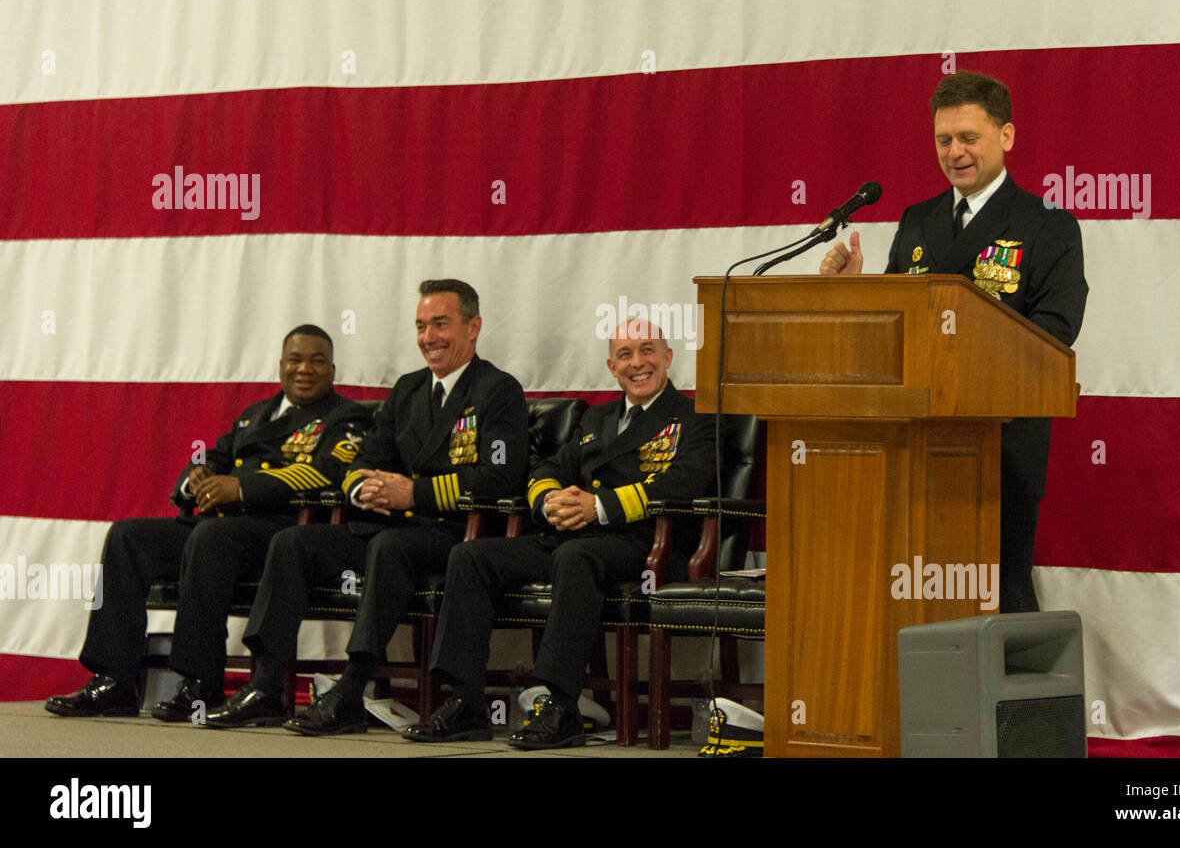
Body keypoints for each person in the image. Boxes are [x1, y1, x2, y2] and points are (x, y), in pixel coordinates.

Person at [204, 279, 528, 730]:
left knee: (391, 548)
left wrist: (412, 493)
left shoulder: (497, 390)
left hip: (455, 532)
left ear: (473, 327)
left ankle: (353, 688)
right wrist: (361, 487)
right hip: (387, 524)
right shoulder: (409, 389)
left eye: (441, 324)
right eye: (420, 326)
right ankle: (268, 683)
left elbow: (500, 477)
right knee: (294, 542)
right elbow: (364, 459)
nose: (429, 337)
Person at [820, 70, 1087, 613]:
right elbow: (895, 331)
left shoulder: (1047, 224)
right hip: (916, 442)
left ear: (1006, 136)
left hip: (1001, 446)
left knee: (998, 596)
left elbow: (1055, 334)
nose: (955, 152)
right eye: (944, 139)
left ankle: (1005, 703)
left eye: (969, 137)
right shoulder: (918, 220)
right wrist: (856, 298)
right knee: (922, 600)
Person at [404, 318, 715, 749]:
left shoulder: (694, 416)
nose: (637, 363)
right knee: (470, 556)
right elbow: (548, 467)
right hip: (570, 538)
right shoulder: (599, 417)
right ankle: (467, 702)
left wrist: (598, 507)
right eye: (625, 354)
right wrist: (551, 501)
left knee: (575, 559)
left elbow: (685, 482)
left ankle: (561, 705)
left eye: (647, 350)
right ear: (611, 367)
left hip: (644, 547)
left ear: (668, 357)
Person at [45, 326, 371, 720]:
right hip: (221, 528)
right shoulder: (255, 415)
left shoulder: (346, 416)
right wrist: (193, 480)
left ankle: (199, 685)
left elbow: (329, 473)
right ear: (280, 366)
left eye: (317, 361)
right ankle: (114, 679)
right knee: (129, 536)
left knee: (210, 535)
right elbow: (212, 457)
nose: (305, 369)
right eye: (295, 360)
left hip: (280, 532)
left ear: (332, 369)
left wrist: (242, 488)